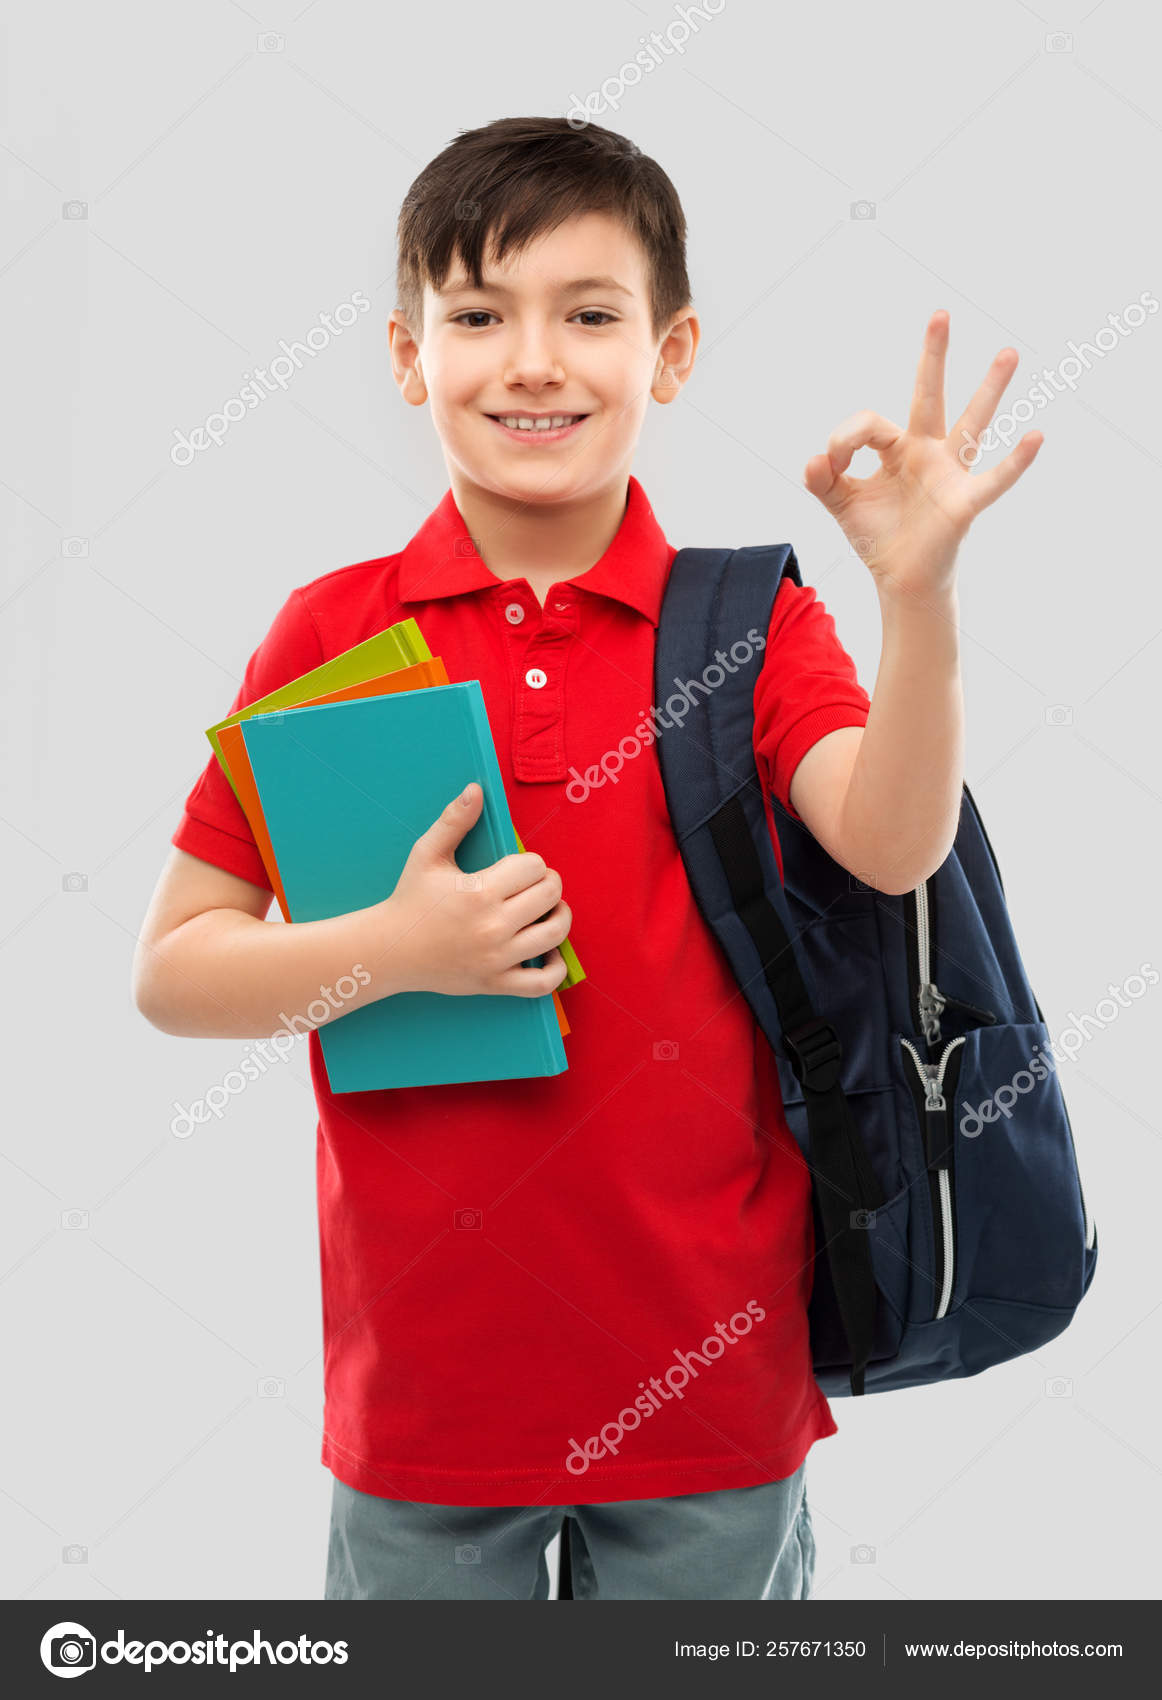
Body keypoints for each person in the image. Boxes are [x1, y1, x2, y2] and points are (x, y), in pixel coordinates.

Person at [133, 115, 1040, 1601]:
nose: (532, 359)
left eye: (589, 314)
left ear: (670, 353)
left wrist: (915, 599)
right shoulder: (333, 634)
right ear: (409, 354)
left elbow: (890, 850)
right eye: (478, 315)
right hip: (426, 1412)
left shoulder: (747, 628)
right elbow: (177, 972)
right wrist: (398, 953)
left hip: (713, 1394)